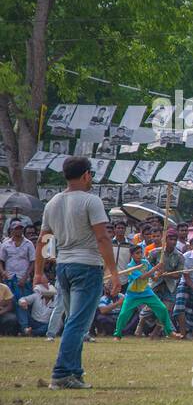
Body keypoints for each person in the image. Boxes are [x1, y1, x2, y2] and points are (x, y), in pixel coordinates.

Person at [35, 157, 122, 388]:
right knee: (77, 323)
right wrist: (114, 273)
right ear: (86, 175)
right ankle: (62, 373)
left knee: (76, 321)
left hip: (64, 266)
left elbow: (43, 240)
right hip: (87, 265)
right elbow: (102, 237)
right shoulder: (91, 201)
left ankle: (75, 372)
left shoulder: (52, 202)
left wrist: (38, 272)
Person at [113, 243, 182, 339]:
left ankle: (169, 332)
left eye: (141, 253)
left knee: (162, 309)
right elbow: (142, 277)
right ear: (132, 255)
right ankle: (118, 335)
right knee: (124, 314)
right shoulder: (130, 266)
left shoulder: (145, 263)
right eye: (137, 253)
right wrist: (156, 268)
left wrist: (159, 273)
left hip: (147, 292)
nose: (140, 255)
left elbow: (153, 278)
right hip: (133, 295)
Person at [1, 220, 36, 334]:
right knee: (11, 304)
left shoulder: (28, 244)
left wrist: (25, 277)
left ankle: (25, 328)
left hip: (23, 279)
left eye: (20, 228)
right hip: (10, 278)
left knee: (23, 304)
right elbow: (1, 261)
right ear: (11, 230)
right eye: (16, 228)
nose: (19, 230)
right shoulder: (6, 244)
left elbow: (32, 262)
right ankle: (14, 329)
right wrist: (3, 272)